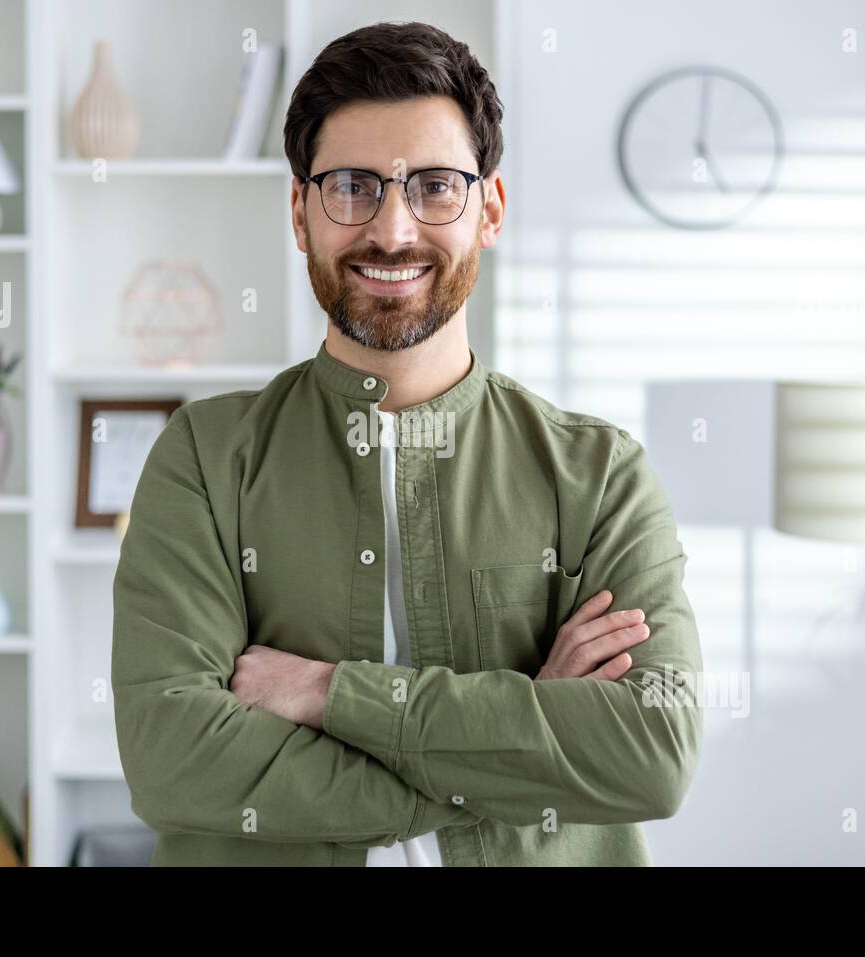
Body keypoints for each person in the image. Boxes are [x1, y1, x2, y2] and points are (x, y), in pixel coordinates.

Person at [111, 20, 703, 866]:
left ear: (489, 210)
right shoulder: (206, 458)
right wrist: (520, 737)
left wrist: (324, 692)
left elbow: (652, 754)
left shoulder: (600, 475)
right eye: (352, 186)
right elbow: (173, 759)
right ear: (300, 212)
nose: (392, 231)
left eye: (434, 186)